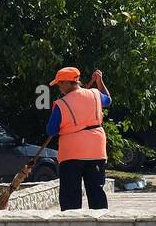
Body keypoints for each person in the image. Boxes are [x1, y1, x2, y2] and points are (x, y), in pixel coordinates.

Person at [47, 66, 111, 210]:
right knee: (96, 191)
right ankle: (100, 221)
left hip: (71, 154)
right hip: (96, 151)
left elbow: (51, 130)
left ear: (68, 83)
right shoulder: (95, 94)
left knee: (70, 194)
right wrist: (100, 82)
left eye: (59, 84)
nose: (59, 88)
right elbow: (108, 101)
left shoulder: (61, 104)